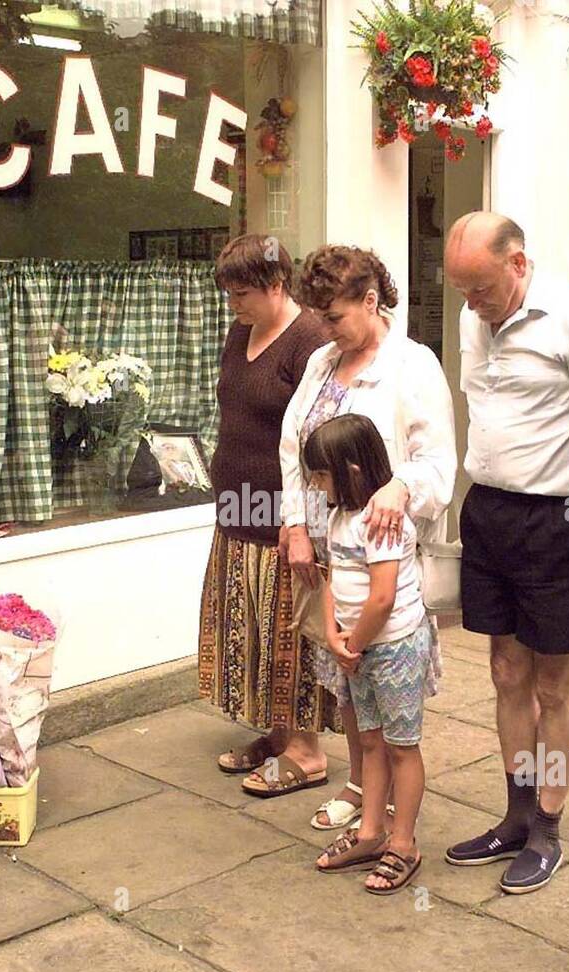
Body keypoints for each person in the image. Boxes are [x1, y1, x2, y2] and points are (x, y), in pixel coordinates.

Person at [442, 212, 569, 894]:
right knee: (505, 672)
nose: (472, 304)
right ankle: (515, 815)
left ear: (519, 263)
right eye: (462, 291)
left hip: (561, 517)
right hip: (492, 511)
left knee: (555, 685)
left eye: (481, 288)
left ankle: (549, 828)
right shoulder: (478, 320)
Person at [245, 245, 455, 831]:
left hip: (380, 551)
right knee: (345, 678)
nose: (327, 330)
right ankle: (361, 785)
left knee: (381, 675)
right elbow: (293, 449)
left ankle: (388, 799)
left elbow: (438, 464)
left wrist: (401, 487)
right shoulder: (321, 363)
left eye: (335, 317)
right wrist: (294, 525)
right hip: (324, 546)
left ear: (371, 300)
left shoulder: (414, 366)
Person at [200, 235, 337, 779]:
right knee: (255, 625)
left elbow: (314, 434)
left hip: (283, 514)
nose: (233, 305)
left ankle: (308, 751)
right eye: (229, 294)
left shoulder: (308, 341)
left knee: (290, 628)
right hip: (237, 507)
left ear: (277, 285)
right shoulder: (240, 332)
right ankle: (279, 733)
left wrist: (298, 519)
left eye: (242, 293)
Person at [306, 415, 433, 894]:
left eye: (321, 476)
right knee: (371, 741)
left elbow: (382, 598)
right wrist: (336, 637)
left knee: (402, 746)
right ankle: (370, 832)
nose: (317, 487)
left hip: (393, 648)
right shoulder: (341, 517)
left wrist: (352, 645)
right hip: (357, 649)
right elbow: (332, 577)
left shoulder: (383, 523)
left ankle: (403, 843)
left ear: (352, 469)